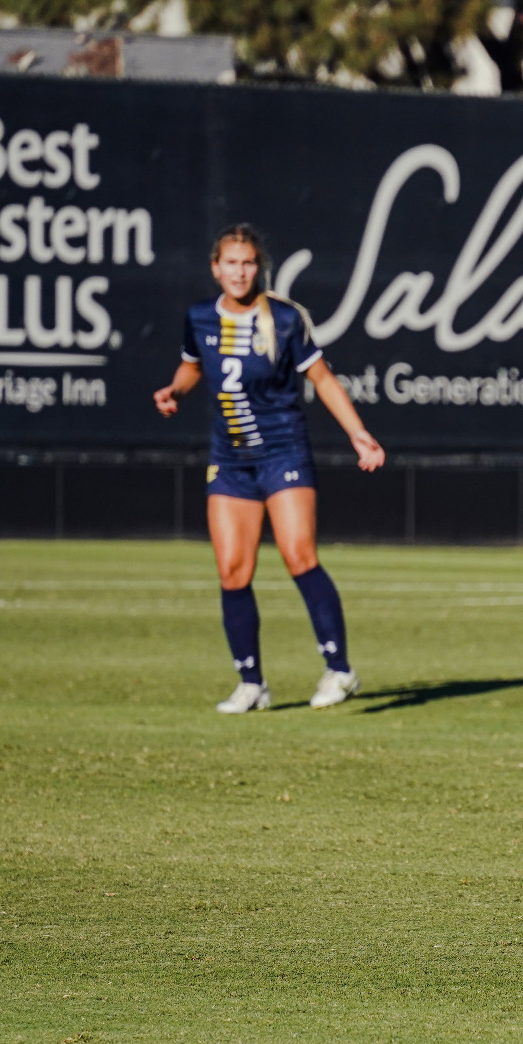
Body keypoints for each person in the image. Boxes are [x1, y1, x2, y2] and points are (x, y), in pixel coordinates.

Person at [152, 224, 385, 713]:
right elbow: (192, 365)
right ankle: (252, 683)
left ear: (260, 267)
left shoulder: (282, 320)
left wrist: (357, 432)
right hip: (230, 459)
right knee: (232, 570)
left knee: (299, 556)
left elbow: (321, 378)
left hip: (284, 453)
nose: (240, 272)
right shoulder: (199, 317)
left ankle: (340, 671)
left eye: (248, 262)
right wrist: (176, 391)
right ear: (216, 268)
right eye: (231, 263)